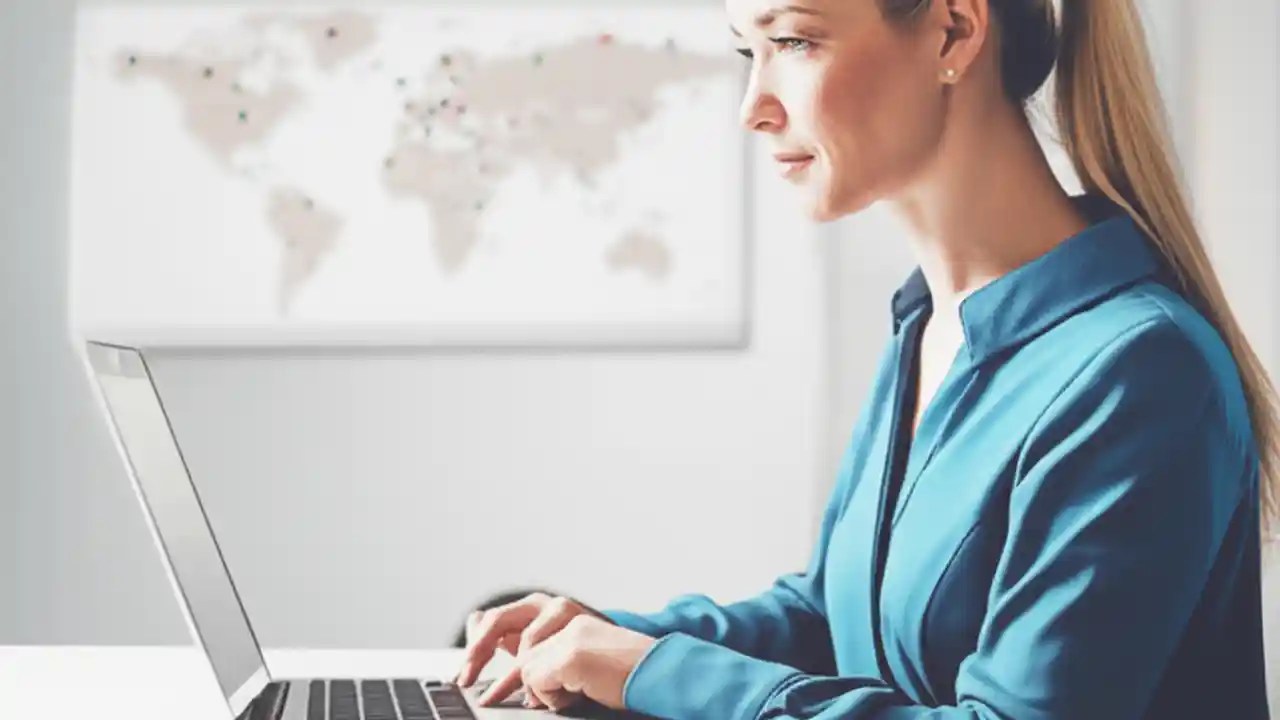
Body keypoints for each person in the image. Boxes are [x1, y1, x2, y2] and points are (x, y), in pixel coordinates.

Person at [454, 0, 1276, 717]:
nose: (755, 106)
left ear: (953, 31)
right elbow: (831, 619)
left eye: (796, 42)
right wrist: (605, 638)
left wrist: (658, 674)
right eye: (750, 50)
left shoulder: (1138, 371)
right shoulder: (929, 324)